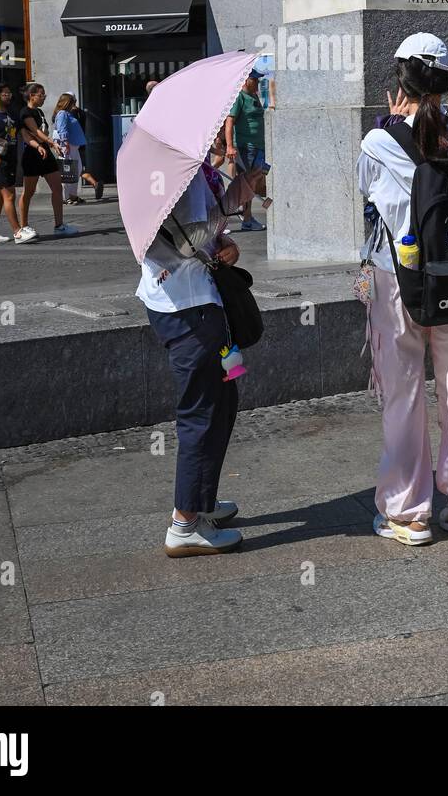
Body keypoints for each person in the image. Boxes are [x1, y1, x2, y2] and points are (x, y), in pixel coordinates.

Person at [357, 32, 448, 547]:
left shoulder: (380, 141)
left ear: (401, 82)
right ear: (447, 81)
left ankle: (409, 513)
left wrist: (391, 123)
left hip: (398, 278)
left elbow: (365, 190)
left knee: (402, 392)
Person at [136, 168, 244, 557]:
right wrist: (236, 199)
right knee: (203, 412)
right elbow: (191, 240)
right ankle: (184, 522)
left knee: (225, 399)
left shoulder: (162, 167)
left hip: (183, 303)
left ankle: (202, 500)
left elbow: (192, 235)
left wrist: (226, 236)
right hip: (191, 309)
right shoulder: (178, 173)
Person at [0, 83, 37, 245]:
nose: (9, 96)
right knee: (9, 194)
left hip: (9, 160)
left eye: (10, 93)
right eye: (5, 94)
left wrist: (39, 144)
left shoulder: (11, 114)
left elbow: (22, 133)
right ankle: (17, 232)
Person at [18, 83, 79, 238]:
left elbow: (42, 131)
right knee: (29, 192)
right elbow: (35, 131)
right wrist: (52, 143)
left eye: (44, 94)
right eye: (41, 94)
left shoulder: (39, 112)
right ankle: (23, 226)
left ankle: (59, 225)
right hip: (32, 155)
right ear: (32, 96)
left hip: (46, 153)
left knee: (57, 188)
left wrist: (51, 145)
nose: (44, 97)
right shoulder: (25, 112)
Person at [224, 70, 267, 232]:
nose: (257, 83)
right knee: (248, 183)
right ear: (247, 80)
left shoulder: (254, 96)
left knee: (259, 180)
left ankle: (246, 214)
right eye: (255, 80)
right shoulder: (239, 98)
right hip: (246, 147)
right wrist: (229, 146)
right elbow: (229, 122)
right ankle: (247, 218)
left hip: (259, 146)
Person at [52, 93, 88, 205]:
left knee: (76, 170)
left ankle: (72, 195)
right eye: (73, 101)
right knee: (67, 171)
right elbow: (62, 129)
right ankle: (66, 197)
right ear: (68, 102)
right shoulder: (62, 113)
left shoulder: (67, 113)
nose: (75, 104)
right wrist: (65, 142)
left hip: (72, 145)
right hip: (67, 145)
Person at [69, 96, 104, 200]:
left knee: (73, 169)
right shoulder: (81, 112)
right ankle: (94, 183)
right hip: (81, 143)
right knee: (78, 168)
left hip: (73, 144)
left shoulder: (70, 114)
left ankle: (71, 195)